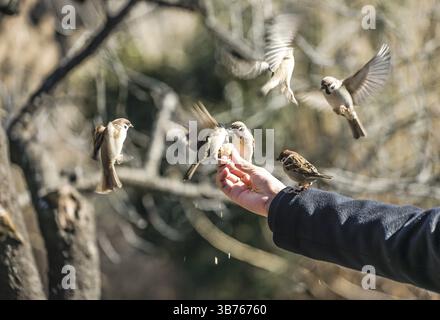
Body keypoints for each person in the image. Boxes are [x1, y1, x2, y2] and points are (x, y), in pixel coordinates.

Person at [216, 148, 440, 293]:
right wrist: (280, 203)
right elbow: (404, 240)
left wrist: (284, 204)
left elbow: (400, 241)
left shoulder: (292, 162)